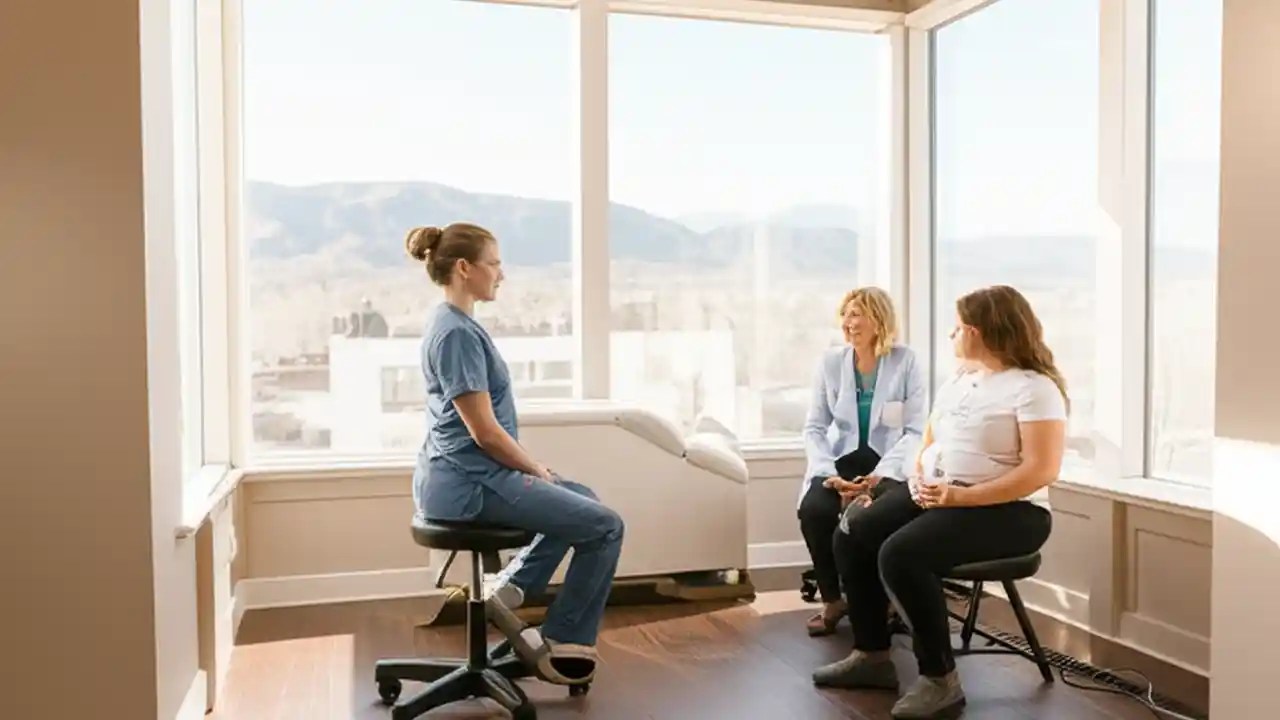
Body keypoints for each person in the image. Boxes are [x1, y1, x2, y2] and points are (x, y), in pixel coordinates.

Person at [813, 285, 1069, 720]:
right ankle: (872, 655)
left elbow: (1041, 470)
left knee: (901, 553)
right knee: (854, 530)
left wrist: (961, 497)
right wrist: (915, 482)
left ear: (980, 331)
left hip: (1012, 513)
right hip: (944, 494)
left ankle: (939, 679)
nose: (952, 335)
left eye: (958, 327)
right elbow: (927, 442)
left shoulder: (1034, 388)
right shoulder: (960, 381)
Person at [406, 222, 624, 684]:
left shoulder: (454, 324)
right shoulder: (457, 334)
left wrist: (537, 472)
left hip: (468, 475)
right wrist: (535, 468)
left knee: (584, 497)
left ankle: (513, 588)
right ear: (465, 268)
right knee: (605, 526)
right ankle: (566, 641)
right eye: (495, 264)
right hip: (470, 485)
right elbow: (483, 431)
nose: (501, 275)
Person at [799, 287, 926, 636]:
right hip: (841, 461)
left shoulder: (905, 361)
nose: (848, 323)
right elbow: (814, 427)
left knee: (877, 516)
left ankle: (882, 602)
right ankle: (832, 599)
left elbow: (916, 430)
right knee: (815, 510)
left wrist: (880, 475)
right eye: (845, 315)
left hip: (888, 462)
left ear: (879, 320)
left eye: (857, 314)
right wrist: (827, 474)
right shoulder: (830, 363)